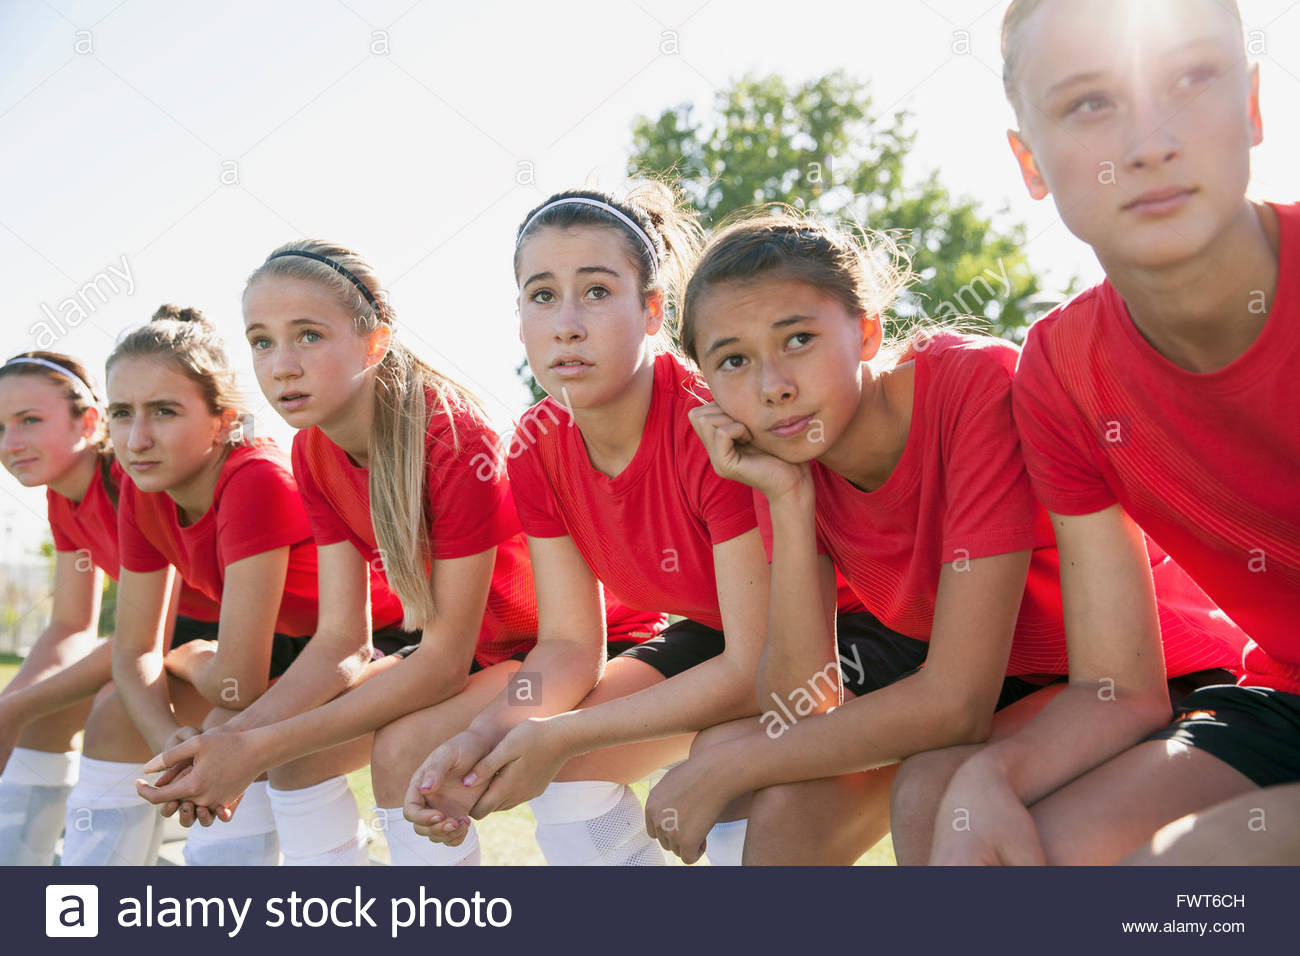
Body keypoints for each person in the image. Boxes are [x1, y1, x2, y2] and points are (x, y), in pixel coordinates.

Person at [643, 210, 1244, 865]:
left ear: (867, 331)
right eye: (734, 361)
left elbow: (956, 705)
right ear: (707, 386)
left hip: (1145, 679)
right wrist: (788, 502)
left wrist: (733, 767)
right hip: (1015, 686)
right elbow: (801, 703)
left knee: (932, 794)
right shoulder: (784, 460)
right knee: (789, 810)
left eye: (798, 340)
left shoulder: (968, 385)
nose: (774, 386)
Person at [398, 186, 940, 867]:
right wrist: (485, 734)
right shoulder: (537, 445)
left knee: (711, 774)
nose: (567, 323)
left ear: (652, 311)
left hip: (849, 629)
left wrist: (562, 734)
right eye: (542, 296)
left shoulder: (710, 422)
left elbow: (752, 669)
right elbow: (565, 648)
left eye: (596, 292)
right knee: (569, 779)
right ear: (519, 319)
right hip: (720, 637)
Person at [136, 241, 662, 866]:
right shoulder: (312, 451)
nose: (281, 366)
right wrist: (233, 738)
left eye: (308, 336)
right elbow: (339, 644)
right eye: (262, 341)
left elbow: (441, 665)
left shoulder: (450, 436)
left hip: (567, 649)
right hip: (481, 655)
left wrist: (255, 748)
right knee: (294, 758)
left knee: (401, 750)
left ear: (374, 342)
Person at [925, 0, 1298, 865]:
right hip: (1283, 701)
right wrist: (993, 774)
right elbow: (1119, 687)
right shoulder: (1060, 373)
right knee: (1032, 857)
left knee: (1196, 867)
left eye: (1191, 79)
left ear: (1251, 106)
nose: (1147, 142)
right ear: (1030, 161)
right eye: (1090, 104)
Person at [59, 306, 325, 866]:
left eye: (164, 412)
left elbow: (238, 685)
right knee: (115, 716)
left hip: (352, 649)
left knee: (221, 731)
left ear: (225, 420)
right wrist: (165, 743)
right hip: (268, 653)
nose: (137, 438)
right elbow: (132, 652)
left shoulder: (255, 478)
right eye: (123, 413)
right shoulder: (143, 488)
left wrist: (188, 656)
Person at [0, 351, 218, 864]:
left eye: (30, 420)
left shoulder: (132, 481)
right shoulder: (61, 497)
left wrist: (10, 709)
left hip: (223, 645)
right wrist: (13, 706)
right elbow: (69, 626)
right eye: (0, 426)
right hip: (168, 645)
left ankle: (103, 909)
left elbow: (143, 644)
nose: (10, 443)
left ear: (90, 420)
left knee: (107, 716)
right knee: (38, 719)